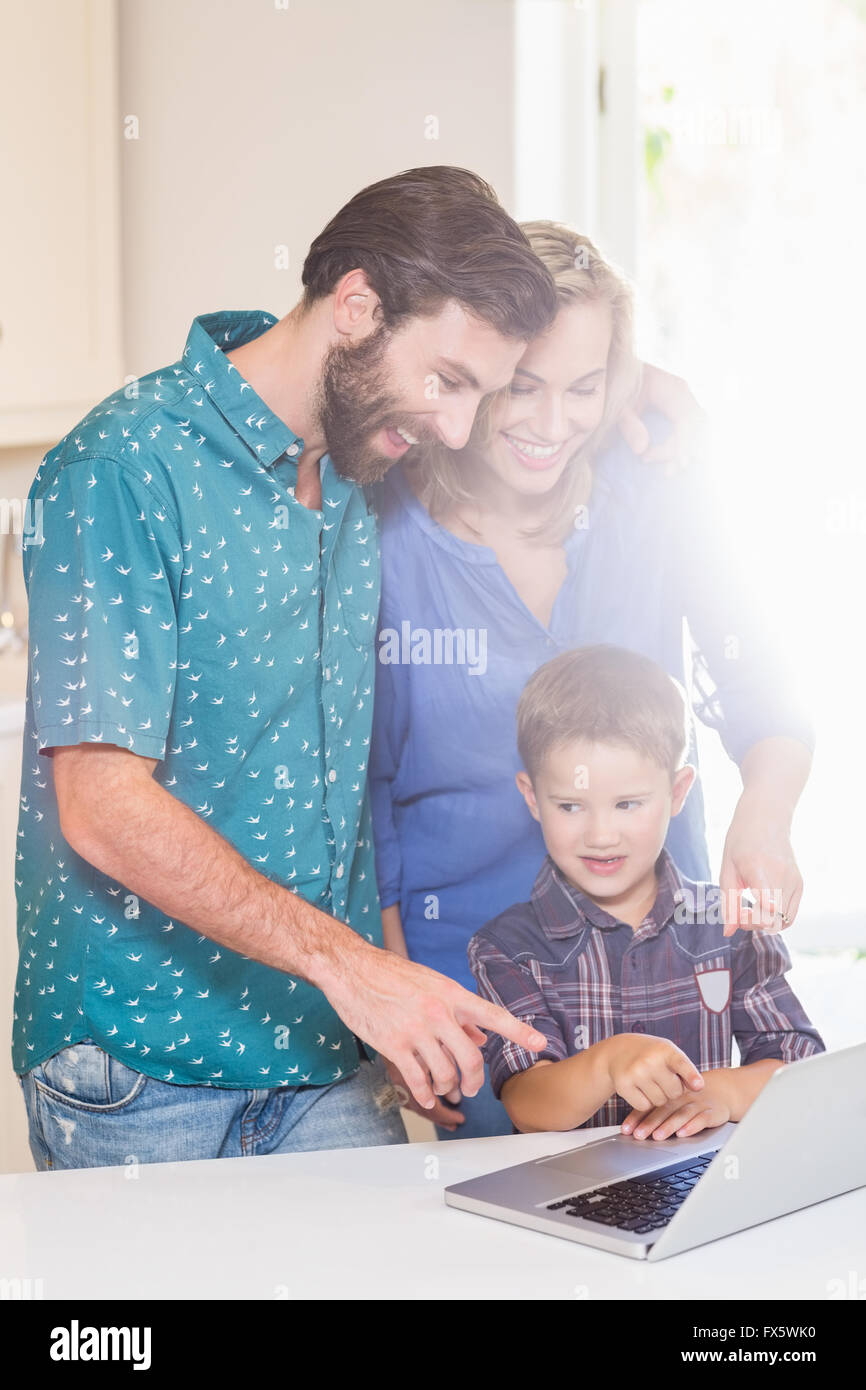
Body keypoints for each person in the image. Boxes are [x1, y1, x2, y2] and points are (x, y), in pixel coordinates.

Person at [12, 166, 556, 1170]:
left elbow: (563, 424)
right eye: (447, 380)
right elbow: (98, 803)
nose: (456, 427)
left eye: (478, 395)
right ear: (354, 306)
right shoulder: (119, 469)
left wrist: (665, 404)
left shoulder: (368, 466)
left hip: (319, 1048)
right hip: (142, 1062)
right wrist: (355, 968)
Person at [369, 222, 814, 1140]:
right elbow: (363, 796)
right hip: (474, 993)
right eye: (521, 387)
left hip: (665, 971)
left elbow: (759, 674)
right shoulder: (386, 530)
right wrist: (390, 991)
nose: (550, 423)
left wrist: (764, 814)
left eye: (585, 387)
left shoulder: (651, 489)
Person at [468, 645, 824, 1137]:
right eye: (570, 806)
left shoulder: (731, 923)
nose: (600, 835)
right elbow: (528, 1104)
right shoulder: (506, 947)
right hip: (569, 1195)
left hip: (703, 1186)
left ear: (677, 793)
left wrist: (716, 1093)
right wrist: (606, 1063)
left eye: (627, 804)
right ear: (532, 797)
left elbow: (801, 1073)